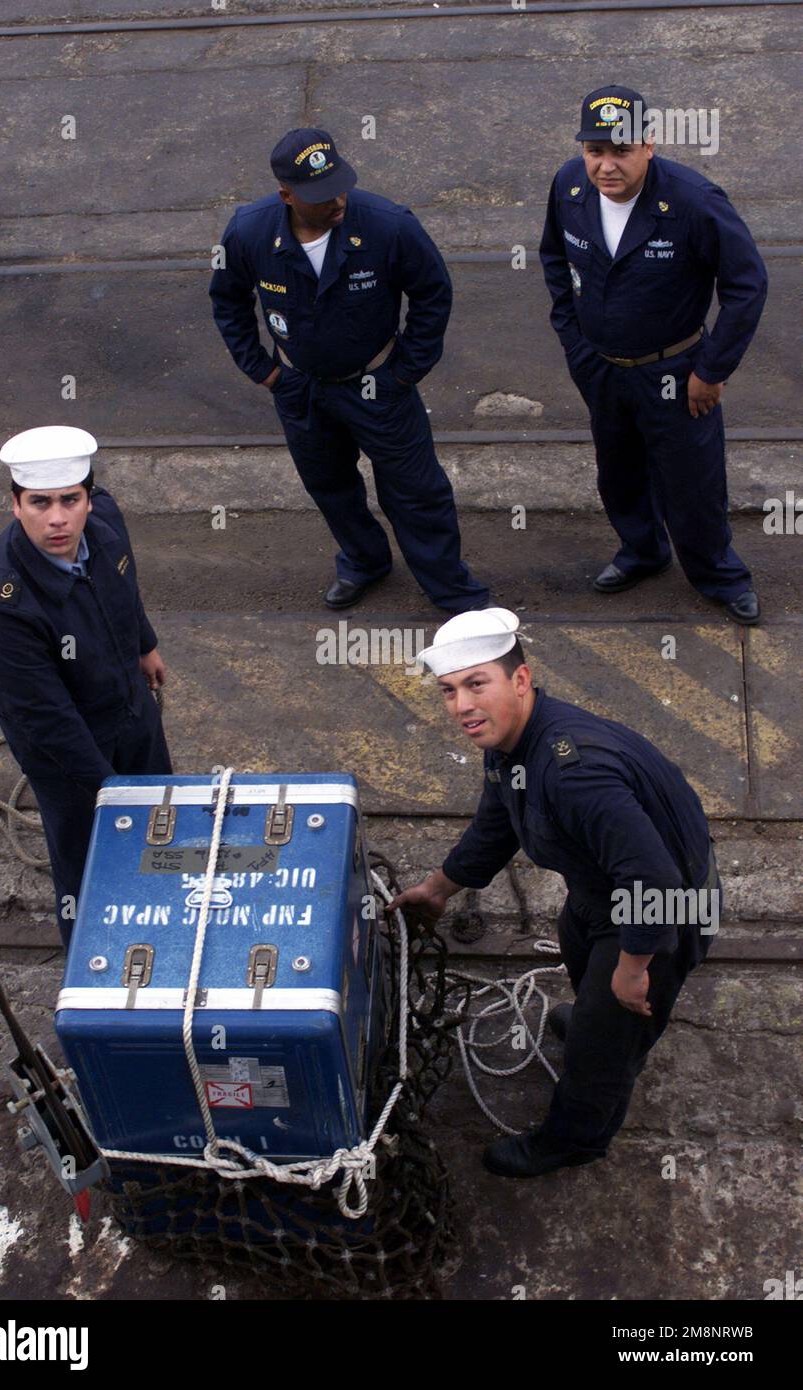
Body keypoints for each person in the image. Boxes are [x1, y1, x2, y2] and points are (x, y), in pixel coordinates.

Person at [389, 608, 719, 1177]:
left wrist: (636, 966)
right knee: (579, 957)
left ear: (520, 680)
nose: (461, 706)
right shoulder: (511, 742)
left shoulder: (573, 771)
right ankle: (604, 1023)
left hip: (662, 911)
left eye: (476, 684)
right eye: (448, 691)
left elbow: (656, 880)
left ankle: (573, 1140)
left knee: (602, 1043)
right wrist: (437, 889)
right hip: (600, 892)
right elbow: (495, 827)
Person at [209, 127, 489, 614]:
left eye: (340, 185)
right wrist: (266, 372)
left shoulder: (389, 225)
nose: (337, 200)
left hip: (379, 386)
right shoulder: (248, 231)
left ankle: (450, 589)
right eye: (320, 195)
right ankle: (363, 562)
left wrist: (403, 372)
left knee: (416, 490)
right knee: (330, 485)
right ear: (287, 195)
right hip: (302, 389)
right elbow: (228, 302)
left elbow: (432, 294)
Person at [540, 86, 768, 624]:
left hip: (677, 371)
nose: (606, 166)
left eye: (620, 151)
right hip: (600, 366)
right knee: (617, 471)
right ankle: (641, 553)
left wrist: (711, 370)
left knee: (692, 482)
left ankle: (717, 574)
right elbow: (554, 258)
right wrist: (573, 339)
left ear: (648, 144)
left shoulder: (693, 201)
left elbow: (746, 285)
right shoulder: (569, 185)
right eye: (595, 151)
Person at [0, 426, 172, 948]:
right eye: (39, 503)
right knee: (87, 864)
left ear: (88, 497)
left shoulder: (104, 521)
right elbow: (47, 721)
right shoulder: (1, 607)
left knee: (163, 821)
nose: (57, 518)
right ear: (15, 505)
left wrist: (144, 645)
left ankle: (166, 915)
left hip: (130, 708)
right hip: (70, 757)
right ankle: (92, 957)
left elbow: (125, 588)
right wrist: (108, 792)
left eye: (69, 500)